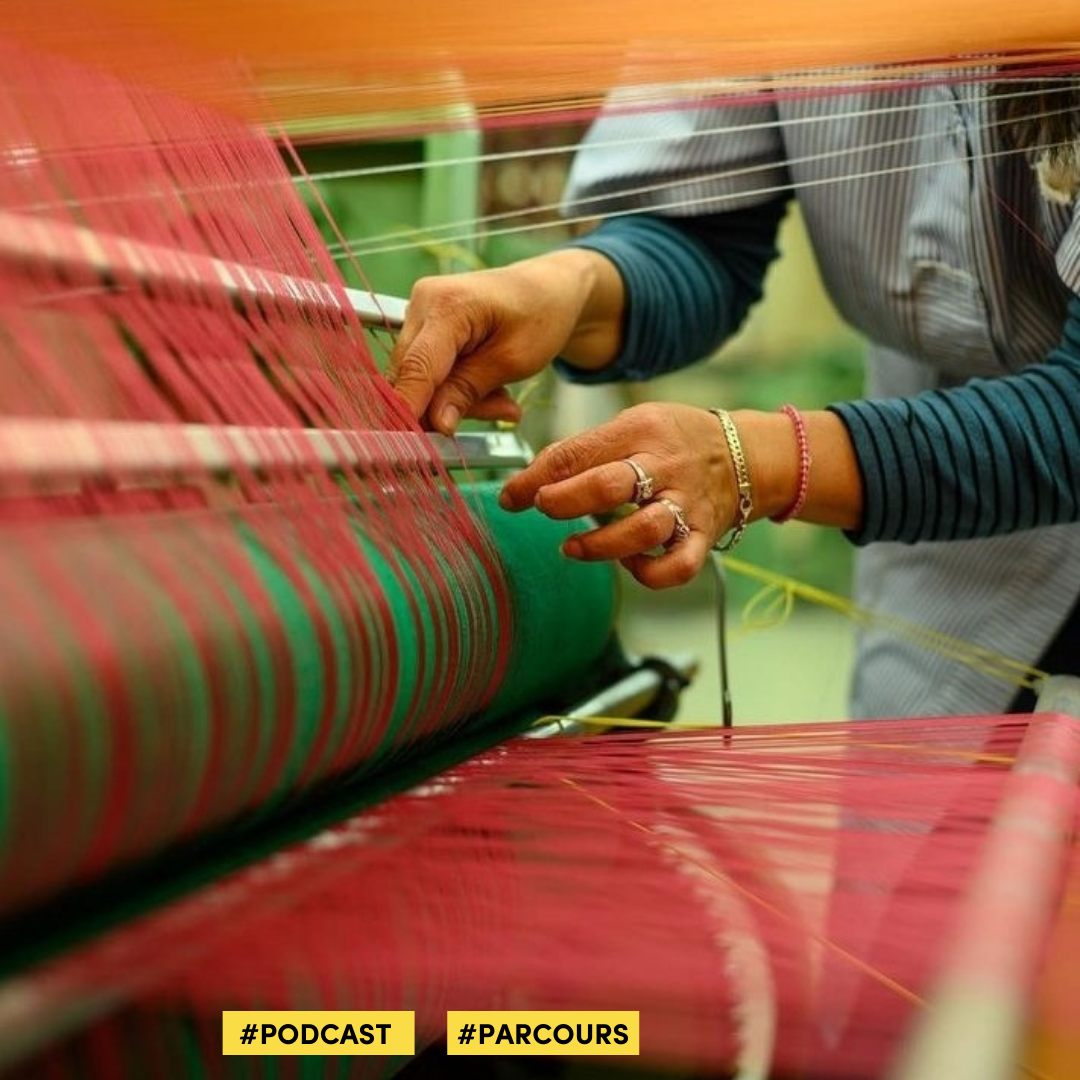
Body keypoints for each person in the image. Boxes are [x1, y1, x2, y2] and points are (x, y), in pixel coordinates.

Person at [388, 73, 1080, 720]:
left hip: (982, 476)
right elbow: (703, 229)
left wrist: (755, 461)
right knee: (949, 842)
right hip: (952, 572)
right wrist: (575, 286)